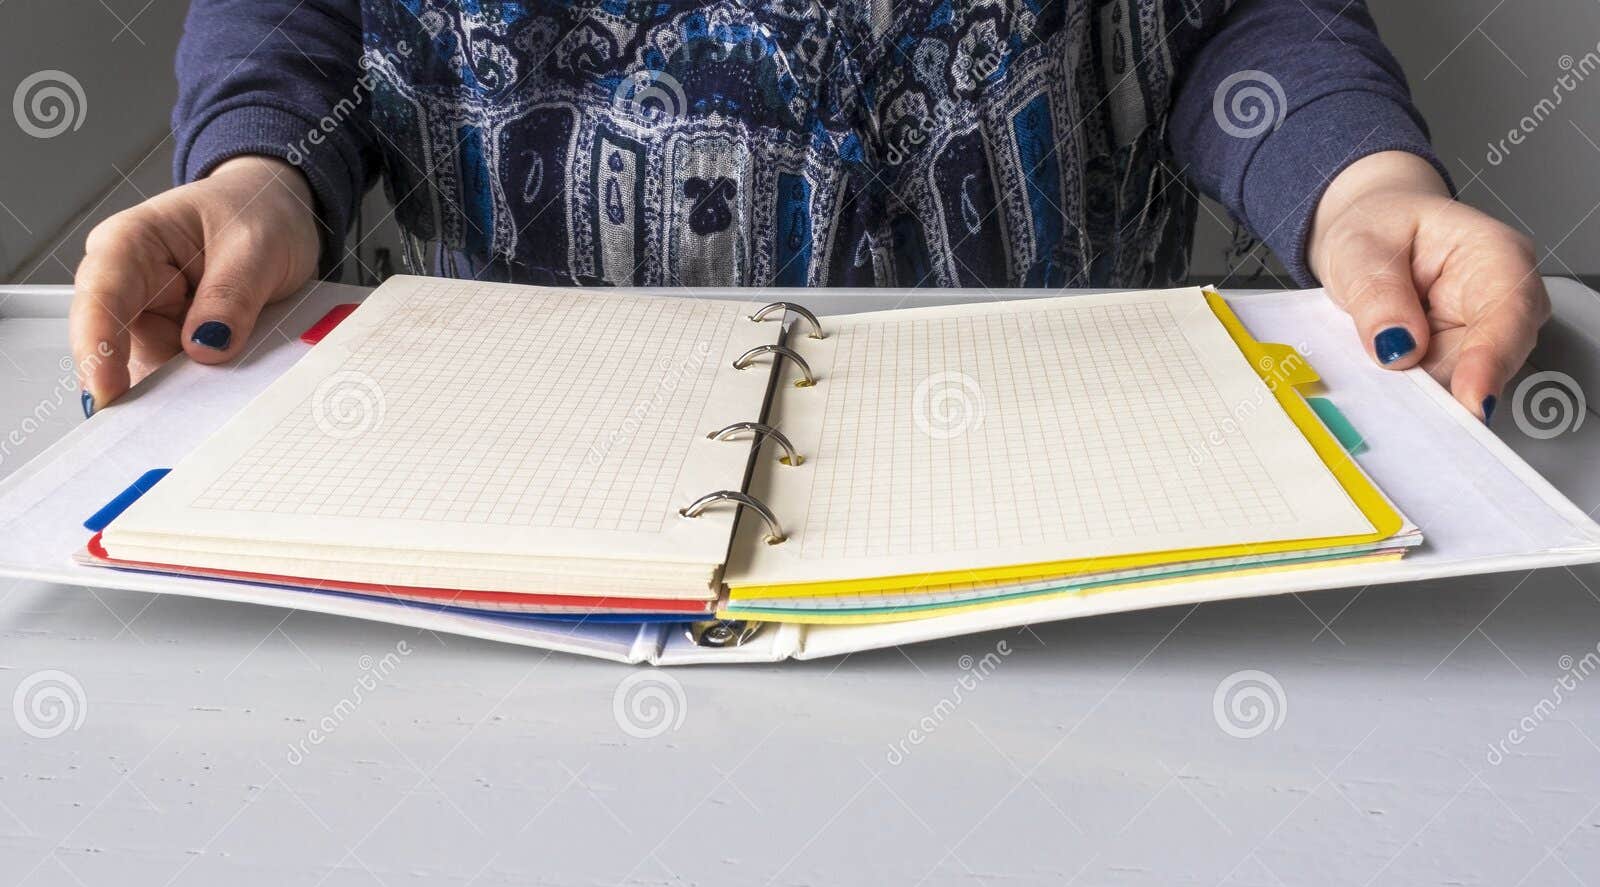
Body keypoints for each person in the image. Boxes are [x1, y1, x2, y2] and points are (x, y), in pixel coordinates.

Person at [72, 0, 1548, 425]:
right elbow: (307, 21)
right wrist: (258, 173)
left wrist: (1363, 187)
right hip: (521, 464)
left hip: (1055, 449)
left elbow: (1241, 16)